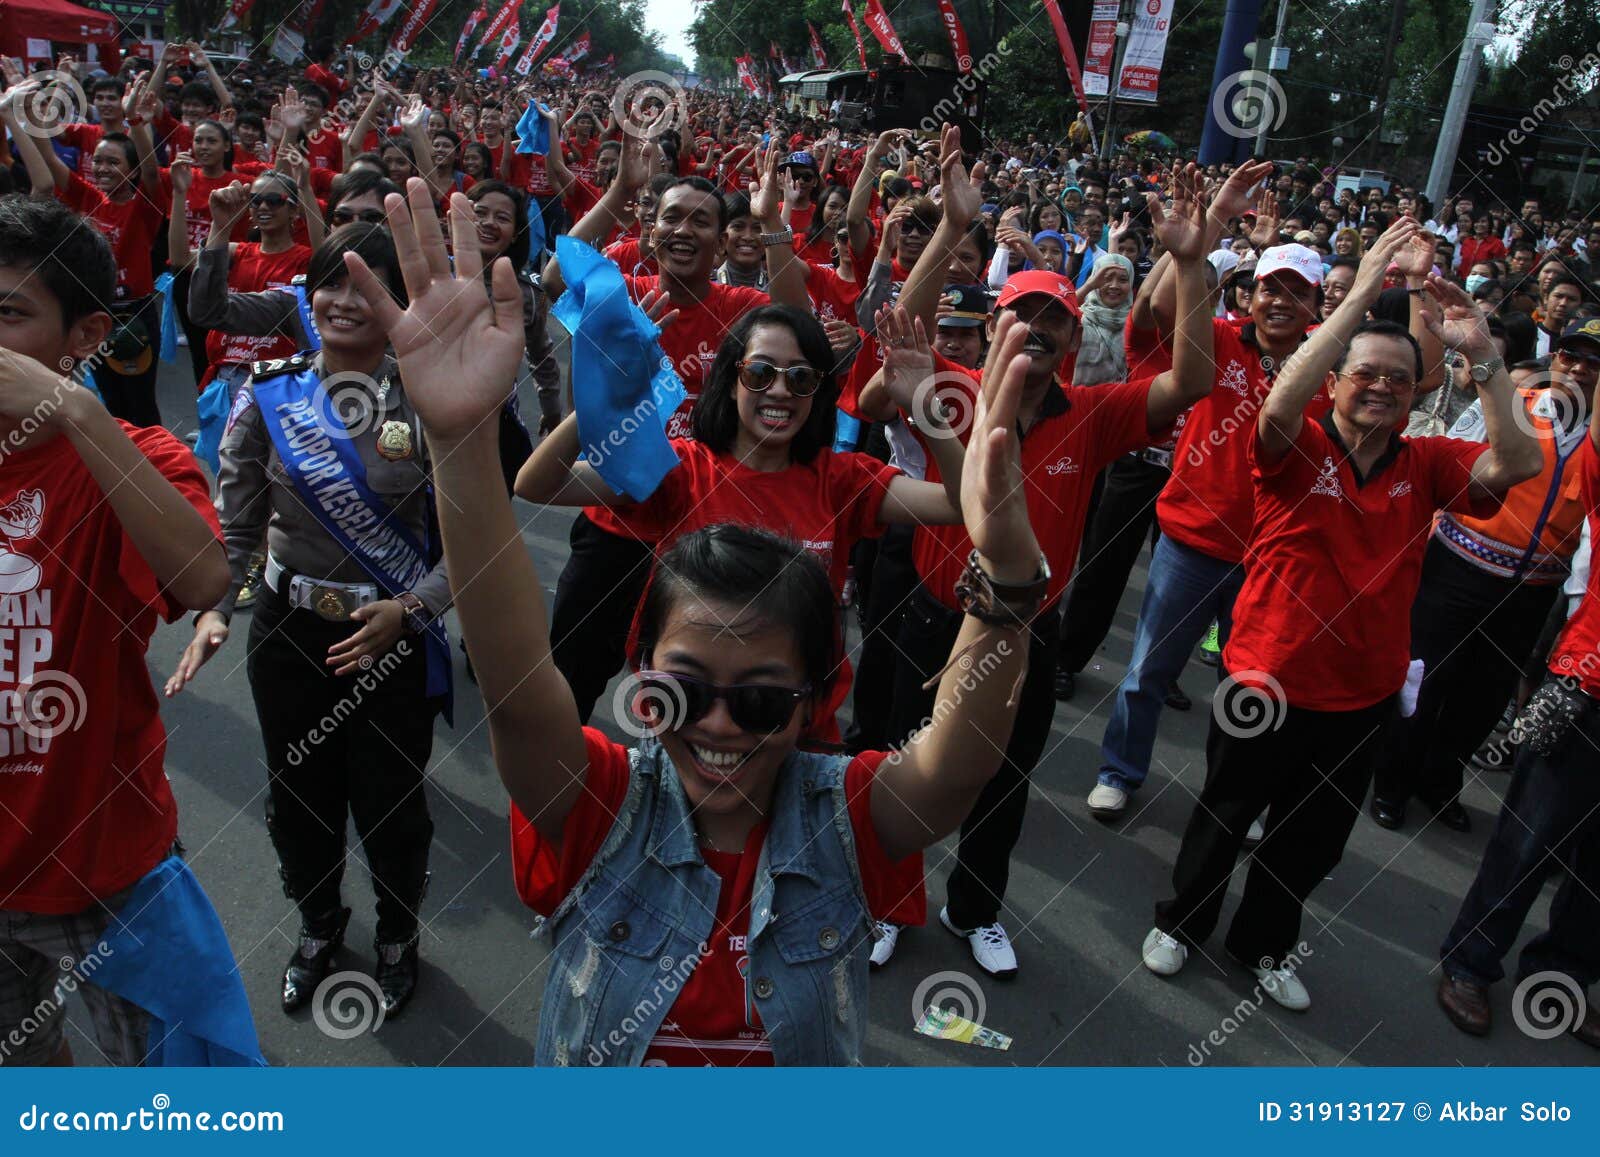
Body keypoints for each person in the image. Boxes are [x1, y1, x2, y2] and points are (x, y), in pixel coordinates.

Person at [363, 178, 1046, 1066]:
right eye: (759, 371)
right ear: (729, 380)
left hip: (804, 754)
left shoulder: (842, 483)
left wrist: (930, 411)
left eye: (802, 378)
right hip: (666, 756)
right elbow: (532, 500)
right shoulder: (677, 469)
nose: (780, 390)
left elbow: (966, 508)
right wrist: (596, 394)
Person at [1140, 221, 1540, 1010]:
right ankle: (1182, 923)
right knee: (1225, 814)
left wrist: (1484, 355)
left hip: (1361, 695)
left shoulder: (1425, 465)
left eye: (1401, 378)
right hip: (1265, 675)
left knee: (1311, 839)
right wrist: (1359, 296)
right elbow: (1281, 402)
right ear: (1336, 377)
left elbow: (1521, 461)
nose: (1384, 386)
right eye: (1367, 374)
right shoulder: (1298, 448)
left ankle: (1265, 943)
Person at [867, 154, 1220, 976]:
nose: (1036, 328)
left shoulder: (1095, 415)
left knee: (1004, 775)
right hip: (928, 607)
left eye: (1052, 318)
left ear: (1073, 336)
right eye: (1020, 312)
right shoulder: (942, 383)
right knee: (897, 758)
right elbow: (887, 368)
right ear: (995, 323)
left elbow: (1192, 378)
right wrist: (951, 229)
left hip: (1025, 627)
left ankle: (974, 909)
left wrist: (1191, 261)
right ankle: (885, 897)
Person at [1084, 162, 1443, 820]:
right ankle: (1120, 769)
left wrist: (1415, 286)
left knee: (1254, 693)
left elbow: (1420, 369)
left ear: (1317, 305)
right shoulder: (1216, 341)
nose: (1278, 300)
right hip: (1191, 542)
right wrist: (1207, 225)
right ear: (1246, 296)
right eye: (1266, 287)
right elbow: (1154, 312)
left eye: (1294, 290)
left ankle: (1235, 801)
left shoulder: (1332, 366)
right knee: (1146, 673)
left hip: (1278, 563)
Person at [166, 221, 449, 1020]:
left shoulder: (431, 399)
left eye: (367, 285)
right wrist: (217, 611)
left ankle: (398, 932)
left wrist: (412, 608)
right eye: (330, 282)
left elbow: (473, 545)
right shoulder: (270, 393)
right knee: (299, 796)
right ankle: (319, 924)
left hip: (389, 642)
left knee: (391, 801)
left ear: (398, 302)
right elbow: (238, 527)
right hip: (290, 638)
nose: (343, 300)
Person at [0, 195, 230, 1064]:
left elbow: (204, 577)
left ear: (85, 335)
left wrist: (75, 411)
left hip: (99, 864)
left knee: (167, 1095)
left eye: (10, 314)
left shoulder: (139, 457)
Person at [540, 134, 809, 725]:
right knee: (569, 682)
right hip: (611, 524)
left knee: (681, 699)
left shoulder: (741, 306)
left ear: (721, 242)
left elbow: (797, 322)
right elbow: (557, 276)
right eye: (672, 218)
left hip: (699, 534)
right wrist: (619, 190)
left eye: (702, 222)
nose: (685, 230)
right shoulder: (624, 296)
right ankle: (566, 797)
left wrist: (769, 224)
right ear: (651, 234)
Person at [1370, 317, 1598, 832]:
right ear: (1554, 358)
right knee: (1425, 679)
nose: (1579, 370)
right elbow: (1449, 459)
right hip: (1458, 569)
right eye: (1570, 357)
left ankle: (1439, 783)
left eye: (1593, 364)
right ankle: (1391, 782)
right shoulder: (1509, 405)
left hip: (1533, 590)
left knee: (1484, 696)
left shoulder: (1597, 439)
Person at [2, 76, 165, 426]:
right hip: (97, 313)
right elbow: (47, 158)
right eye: (99, 162)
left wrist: (135, 120)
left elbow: (152, 172)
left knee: (140, 407)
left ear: (131, 170)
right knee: (111, 401)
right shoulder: (90, 198)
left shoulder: (144, 206)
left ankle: (150, 465)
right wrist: (21, 113)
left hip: (134, 316)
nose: (103, 170)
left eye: (114, 163)